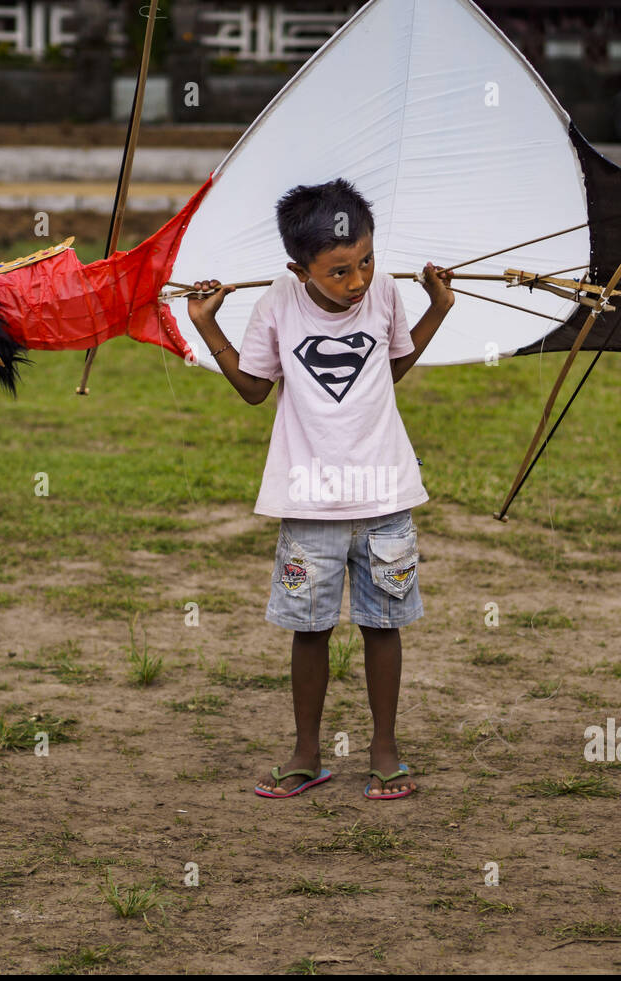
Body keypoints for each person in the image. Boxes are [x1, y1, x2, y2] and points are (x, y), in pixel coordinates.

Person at [186, 178, 454, 799]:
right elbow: (255, 388)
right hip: (308, 501)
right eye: (337, 272)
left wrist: (436, 309)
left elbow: (389, 369)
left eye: (365, 261)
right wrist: (206, 324)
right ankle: (306, 753)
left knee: (382, 625)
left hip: (385, 495)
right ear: (297, 268)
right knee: (309, 629)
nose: (356, 282)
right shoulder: (277, 304)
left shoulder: (385, 293)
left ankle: (384, 750)